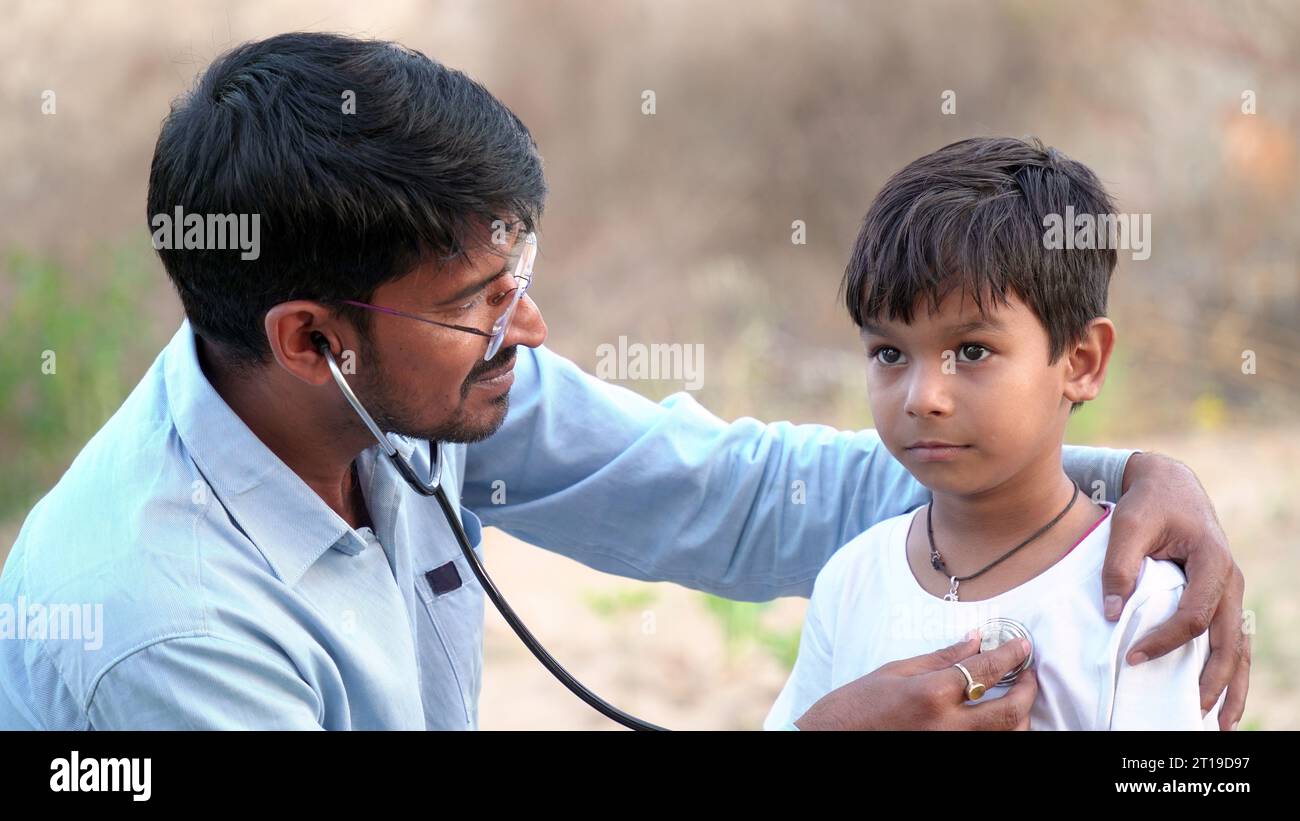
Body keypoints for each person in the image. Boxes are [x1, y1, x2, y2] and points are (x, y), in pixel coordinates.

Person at [0, 34, 1247, 731]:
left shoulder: (399, 388)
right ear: (308, 338)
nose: (529, 327)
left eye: (518, 276)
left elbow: (735, 497)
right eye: (478, 300)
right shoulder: (165, 634)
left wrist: (1116, 479)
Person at [765, 137, 1229, 730]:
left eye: (972, 350)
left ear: (1081, 362)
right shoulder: (851, 577)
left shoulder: (1140, 602)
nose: (922, 398)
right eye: (889, 353)